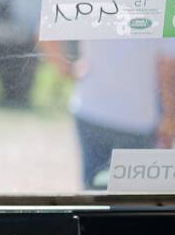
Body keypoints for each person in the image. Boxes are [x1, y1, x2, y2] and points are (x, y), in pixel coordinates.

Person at [40, 37, 175, 188]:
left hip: (91, 110)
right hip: (137, 119)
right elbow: (167, 66)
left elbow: (45, 31)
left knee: (94, 196)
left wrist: (66, 69)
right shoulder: (165, 13)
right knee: (134, 199)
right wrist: (169, 117)